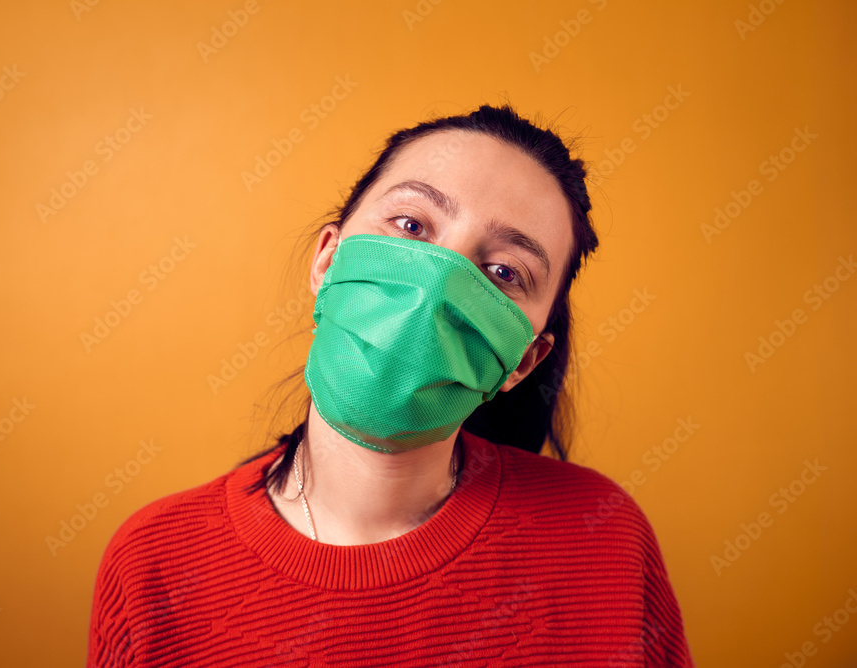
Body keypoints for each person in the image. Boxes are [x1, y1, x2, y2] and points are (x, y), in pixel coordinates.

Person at [87, 103, 695, 666]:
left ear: (524, 360)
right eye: (411, 224)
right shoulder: (155, 564)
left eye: (504, 271)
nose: (438, 282)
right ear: (328, 260)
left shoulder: (603, 541)